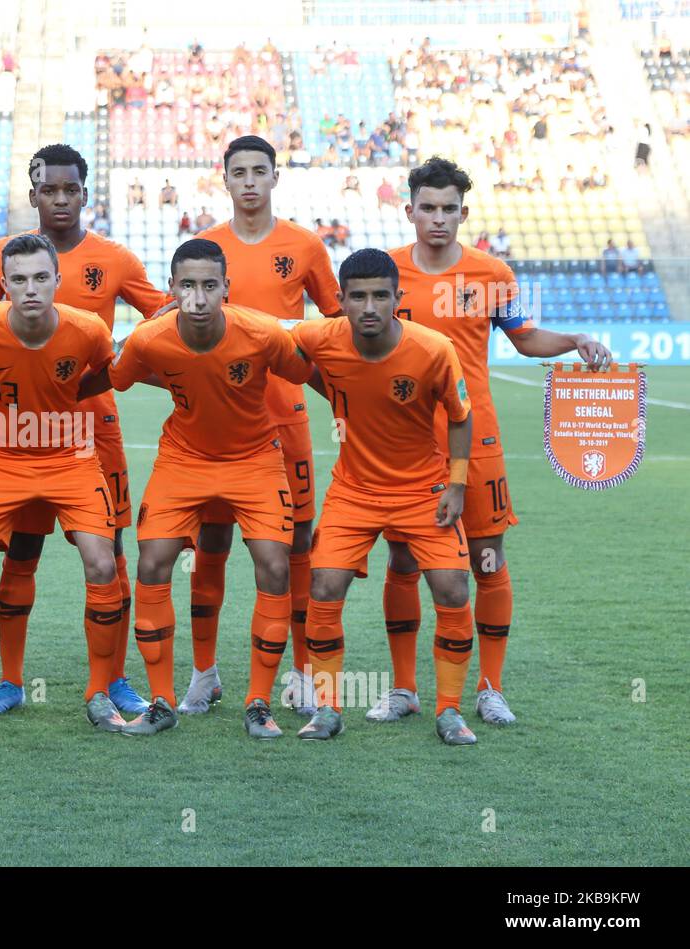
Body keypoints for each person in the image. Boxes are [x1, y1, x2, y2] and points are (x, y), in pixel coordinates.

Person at [374, 157, 610, 728]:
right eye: (427, 208)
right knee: (403, 559)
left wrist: (574, 337)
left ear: (464, 213)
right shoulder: (385, 274)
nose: (438, 219)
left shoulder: (491, 276)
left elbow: (525, 339)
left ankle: (490, 687)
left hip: (475, 440)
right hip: (404, 443)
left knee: (487, 558)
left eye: (448, 209)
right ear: (409, 211)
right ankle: (405, 689)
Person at [0, 144, 169, 717]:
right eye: (47, 190)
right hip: (20, 430)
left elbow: (161, 318)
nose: (59, 199)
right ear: (32, 195)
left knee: (110, 553)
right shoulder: (5, 257)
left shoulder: (117, 259)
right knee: (21, 549)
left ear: (84, 192)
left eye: (69, 189)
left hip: (93, 428)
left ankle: (112, 677)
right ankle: (6, 682)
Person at [95, 239, 312, 737]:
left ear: (226, 289)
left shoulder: (261, 334)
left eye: (209, 286)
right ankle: (162, 701)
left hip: (256, 460)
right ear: (171, 289)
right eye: (187, 286)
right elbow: (118, 378)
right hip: (184, 460)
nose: (197, 298)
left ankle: (258, 701)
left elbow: (304, 370)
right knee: (152, 561)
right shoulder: (151, 339)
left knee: (276, 565)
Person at [0, 234, 126, 733]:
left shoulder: (88, 330)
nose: (30, 288)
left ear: (58, 279)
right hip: (1, 456)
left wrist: (73, 392)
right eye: (18, 279)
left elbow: (111, 372)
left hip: (70, 454)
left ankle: (99, 691)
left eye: (40, 278)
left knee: (103, 562)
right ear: (4, 285)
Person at [291, 248, 478, 745]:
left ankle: (449, 710)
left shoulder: (434, 349)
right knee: (325, 587)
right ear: (340, 301)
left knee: (453, 590)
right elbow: (266, 333)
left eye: (379, 296)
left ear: (399, 297)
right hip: (354, 491)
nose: (369, 307)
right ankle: (328, 709)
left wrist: (457, 486)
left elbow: (461, 416)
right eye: (357, 297)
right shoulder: (320, 338)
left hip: (424, 490)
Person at [190, 135, 342, 717]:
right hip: (216, 425)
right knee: (212, 544)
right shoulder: (205, 247)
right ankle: (205, 673)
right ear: (224, 180)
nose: (249, 181)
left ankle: (302, 674)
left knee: (294, 545)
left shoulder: (303, 246)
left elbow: (335, 326)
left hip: (286, 419)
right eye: (239, 172)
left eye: (260, 171)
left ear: (275, 177)